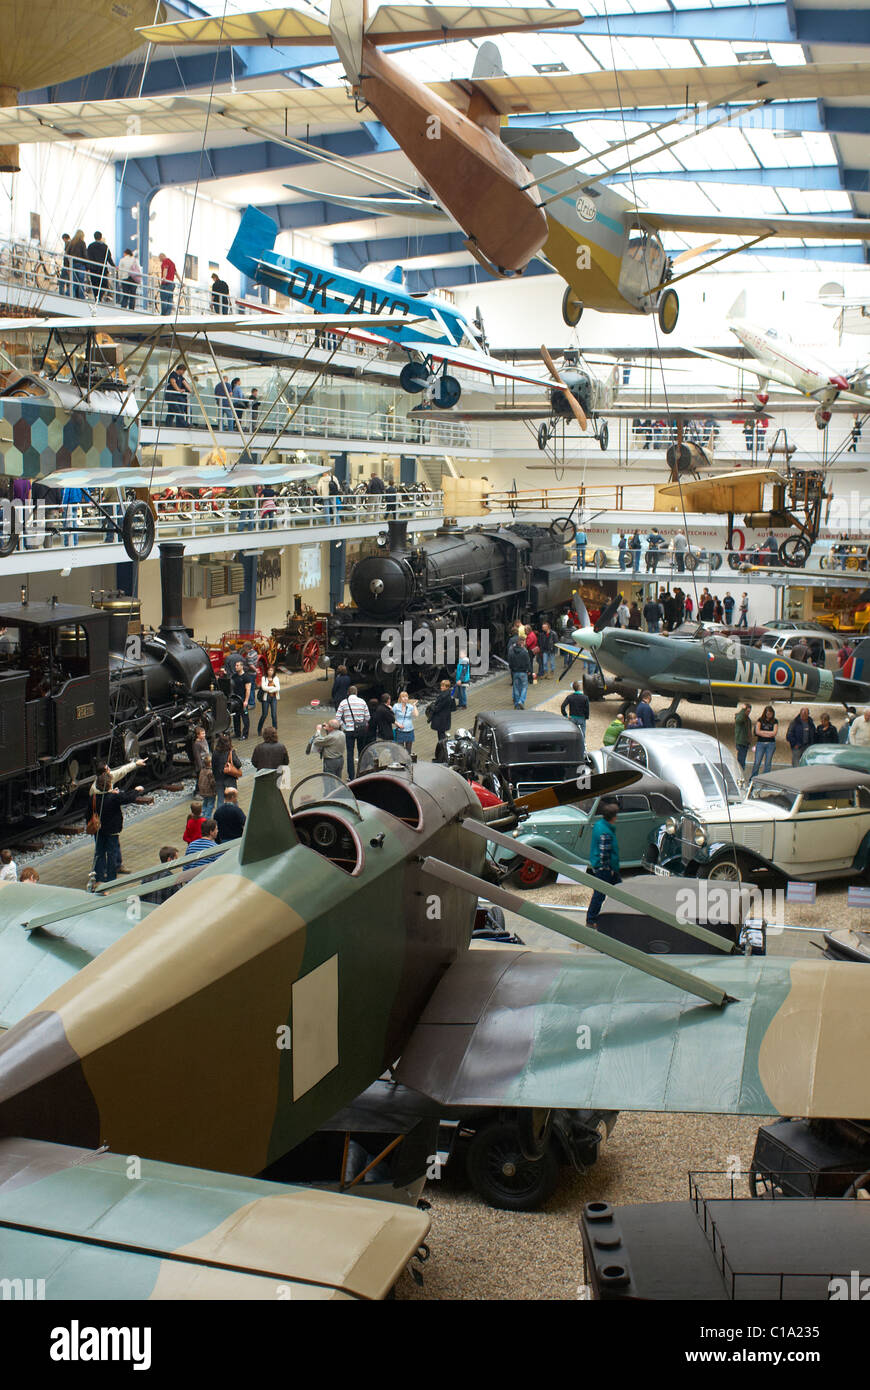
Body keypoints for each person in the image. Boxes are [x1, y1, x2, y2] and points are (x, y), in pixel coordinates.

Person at [90, 769, 143, 885]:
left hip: (98, 829)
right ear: (109, 786)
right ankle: (111, 877)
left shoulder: (94, 798)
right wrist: (136, 790)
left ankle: (99, 876)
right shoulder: (113, 797)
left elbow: (88, 813)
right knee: (112, 852)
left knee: (99, 852)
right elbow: (127, 798)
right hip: (112, 829)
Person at [586, 801, 621, 929]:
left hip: (601, 867)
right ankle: (591, 919)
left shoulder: (599, 825)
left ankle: (612, 915)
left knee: (616, 891)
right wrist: (609, 870)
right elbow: (604, 855)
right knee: (600, 895)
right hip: (606, 869)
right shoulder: (606, 833)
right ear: (613, 817)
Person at [336, 685, 370, 779]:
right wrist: (362, 722)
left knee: (350, 753)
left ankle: (351, 776)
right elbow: (368, 717)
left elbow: (338, 717)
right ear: (356, 692)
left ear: (348, 693)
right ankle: (361, 773)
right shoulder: (362, 702)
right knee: (361, 751)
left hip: (349, 731)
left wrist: (344, 726)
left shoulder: (343, 703)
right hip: (361, 730)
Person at [213, 732, 242, 807]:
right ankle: (235, 814)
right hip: (230, 778)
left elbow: (213, 766)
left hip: (219, 778)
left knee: (220, 799)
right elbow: (238, 764)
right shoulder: (231, 752)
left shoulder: (215, 752)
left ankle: (220, 816)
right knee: (233, 798)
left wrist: (215, 777)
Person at [751, 705, 778, 777]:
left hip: (771, 744)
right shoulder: (760, 720)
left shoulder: (775, 721)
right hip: (760, 743)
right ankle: (753, 777)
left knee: (768, 763)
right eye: (768, 713)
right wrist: (768, 734)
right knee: (757, 762)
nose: (769, 715)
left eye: (770, 714)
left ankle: (765, 778)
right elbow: (757, 731)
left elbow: (774, 733)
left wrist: (763, 732)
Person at [86, 231, 114, 301]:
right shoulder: (105, 246)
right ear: (101, 237)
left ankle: (96, 297)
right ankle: (100, 296)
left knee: (95, 284)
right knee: (104, 285)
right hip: (102, 269)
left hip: (93, 268)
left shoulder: (90, 246)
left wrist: (87, 267)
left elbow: (87, 257)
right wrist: (114, 266)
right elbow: (109, 258)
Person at [508, 634, 532, 709]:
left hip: (515, 672)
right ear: (522, 643)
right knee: (524, 687)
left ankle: (516, 704)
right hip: (523, 672)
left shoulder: (512, 651)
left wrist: (512, 669)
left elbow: (510, 662)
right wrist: (529, 671)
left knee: (516, 688)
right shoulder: (524, 652)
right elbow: (528, 662)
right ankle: (521, 701)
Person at [230, 660, 253, 740]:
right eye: (235, 665)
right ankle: (237, 733)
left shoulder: (246, 677)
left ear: (241, 666)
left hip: (243, 700)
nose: (236, 667)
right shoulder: (234, 676)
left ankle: (245, 735)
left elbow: (248, 690)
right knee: (236, 717)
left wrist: (246, 701)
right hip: (235, 700)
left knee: (245, 718)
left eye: (237, 665)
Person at [256, 664, 280, 734]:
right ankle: (259, 729)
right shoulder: (264, 678)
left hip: (274, 698)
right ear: (267, 671)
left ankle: (274, 730)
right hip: (266, 698)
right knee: (264, 714)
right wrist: (273, 688)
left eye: (272, 670)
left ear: (274, 671)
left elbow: (278, 688)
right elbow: (264, 688)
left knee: (274, 714)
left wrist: (270, 690)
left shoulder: (276, 678)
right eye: (269, 670)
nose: (270, 671)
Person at [67, 230, 89, 299]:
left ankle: (69, 293)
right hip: (80, 264)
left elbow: (67, 253)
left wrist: (67, 265)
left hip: (72, 263)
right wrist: (87, 266)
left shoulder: (72, 243)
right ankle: (81, 296)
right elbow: (84, 254)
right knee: (81, 281)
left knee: (74, 281)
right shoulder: (82, 243)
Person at [197, 753, 216, 819]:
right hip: (210, 791)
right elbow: (212, 782)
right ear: (210, 763)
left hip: (203, 790)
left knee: (205, 803)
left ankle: (202, 815)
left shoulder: (202, 770)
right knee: (210, 804)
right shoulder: (210, 772)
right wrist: (215, 790)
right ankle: (207, 817)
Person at [735, 703, 752, 772]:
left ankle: (741, 772)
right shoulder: (740, 717)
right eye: (747, 711)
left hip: (746, 742)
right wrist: (743, 710)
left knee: (743, 760)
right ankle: (740, 773)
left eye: (749, 711)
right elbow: (739, 720)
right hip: (740, 742)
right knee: (740, 761)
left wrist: (750, 740)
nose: (748, 713)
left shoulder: (748, 720)